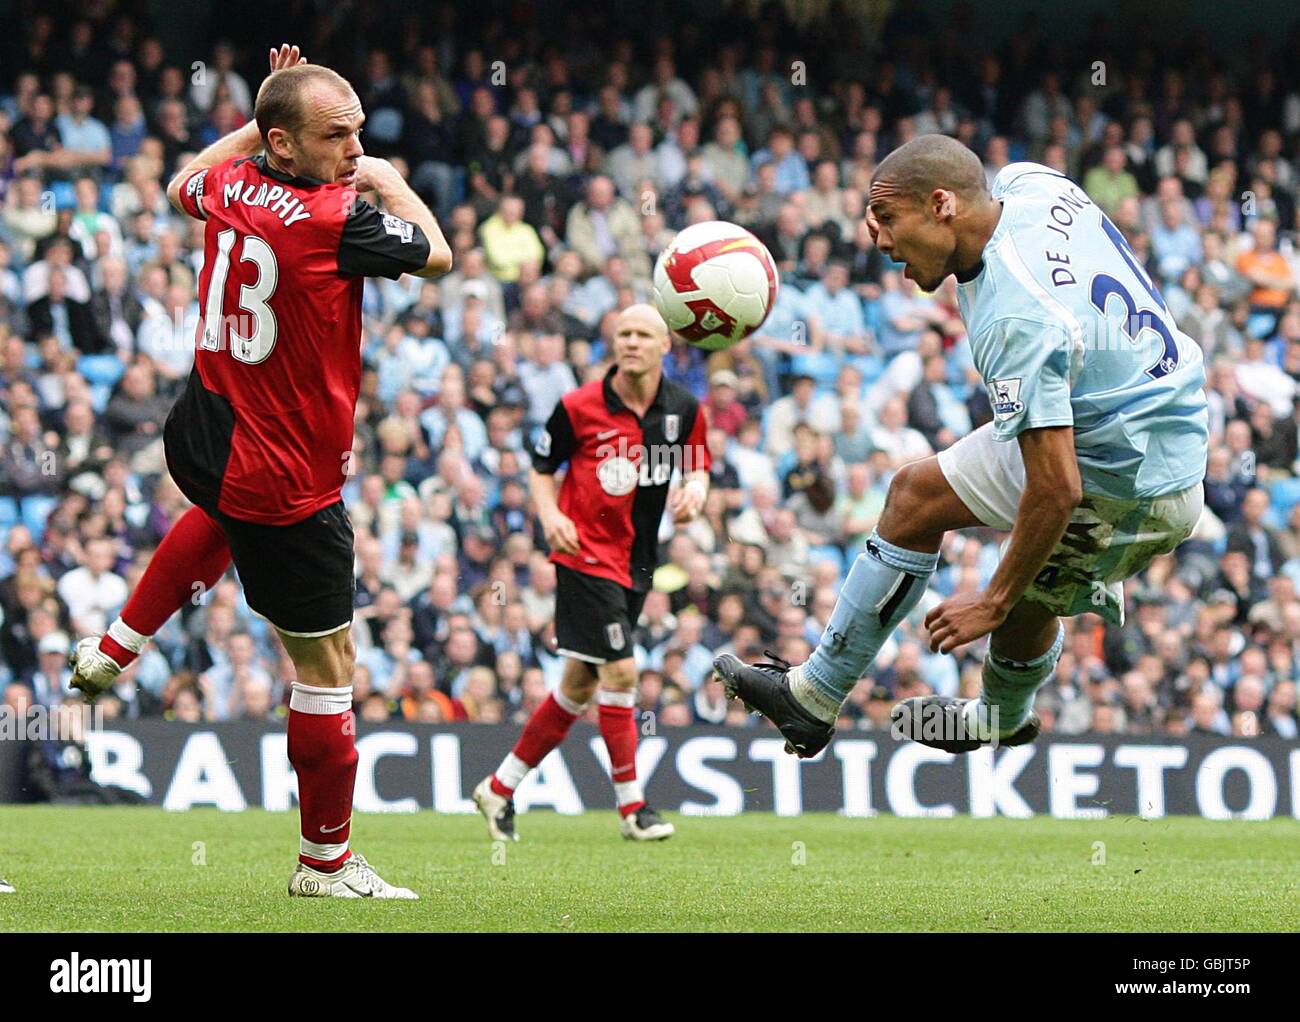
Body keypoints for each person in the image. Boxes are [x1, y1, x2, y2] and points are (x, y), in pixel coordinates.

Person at [67, 44, 452, 898]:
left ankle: (116, 644)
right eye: (334, 137)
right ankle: (325, 864)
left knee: (222, 513)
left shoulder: (234, 185)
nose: (353, 150)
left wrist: (258, 119)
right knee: (328, 667)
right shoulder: (337, 219)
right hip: (282, 474)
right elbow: (438, 256)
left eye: (357, 136)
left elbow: (180, 186)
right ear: (285, 145)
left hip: (202, 430)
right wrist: (388, 184)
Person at [714, 135, 1208, 757]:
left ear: (943, 204)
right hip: (1128, 413)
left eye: (889, 218)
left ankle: (998, 717)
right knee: (915, 496)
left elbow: (1056, 489)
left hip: (1135, 478)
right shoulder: (1034, 183)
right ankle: (811, 698)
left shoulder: (1014, 319)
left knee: (1027, 589)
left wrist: (991, 599)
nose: (879, 240)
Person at [473, 304, 710, 841]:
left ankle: (499, 787)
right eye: (623, 332)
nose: (631, 342)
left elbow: (698, 462)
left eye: (643, 334)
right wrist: (552, 514)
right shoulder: (578, 406)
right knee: (622, 671)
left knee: (578, 687)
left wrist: (696, 489)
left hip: (638, 560)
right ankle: (633, 809)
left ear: (664, 347)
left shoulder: (684, 408)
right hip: (584, 555)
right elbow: (540, 468)